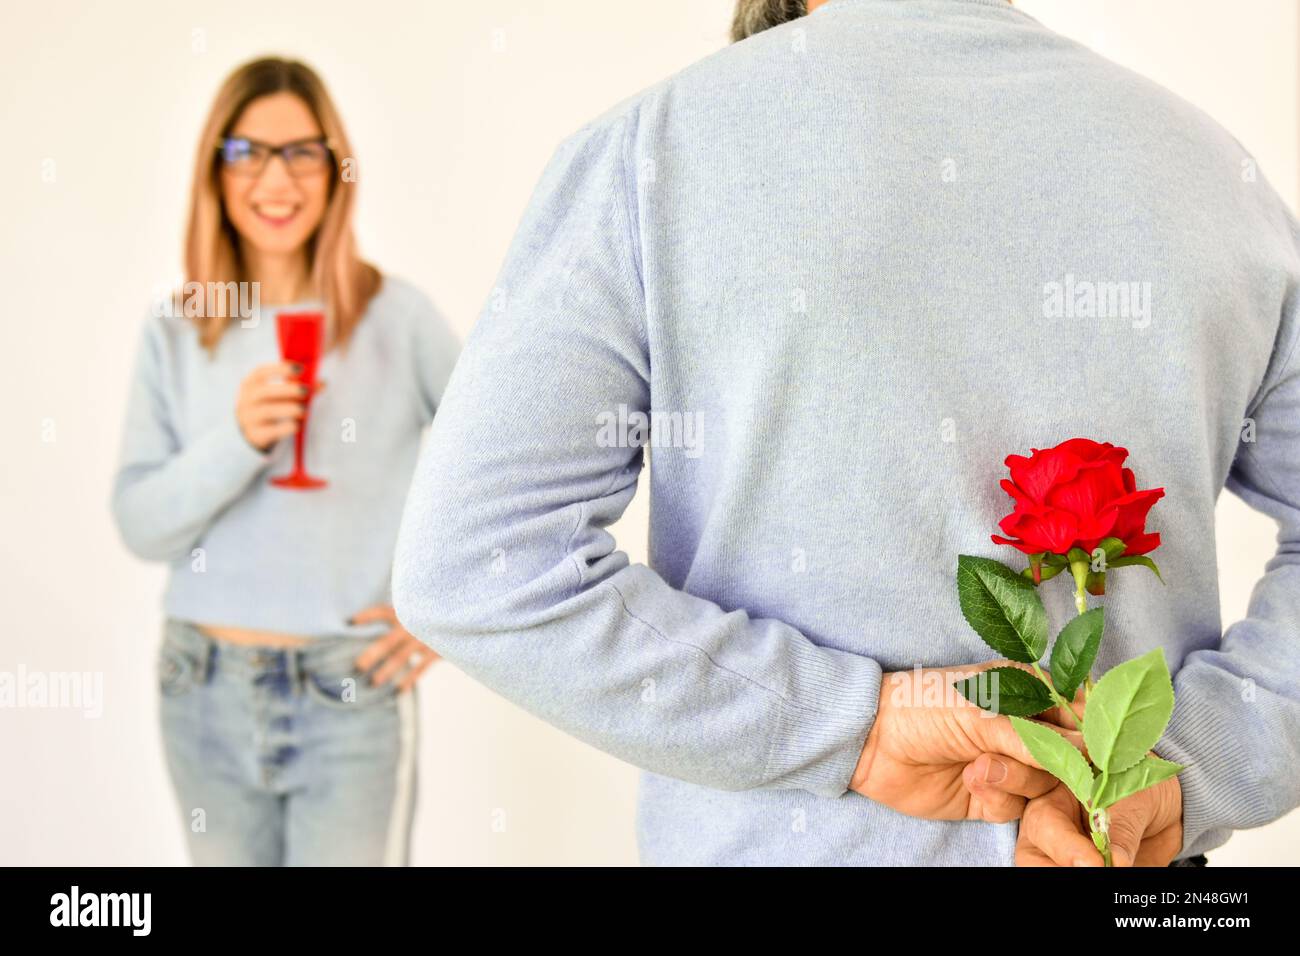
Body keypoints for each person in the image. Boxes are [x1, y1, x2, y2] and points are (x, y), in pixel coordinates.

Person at [391, 0, 1300, 865]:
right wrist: (1189, 771)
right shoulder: (1217, 175)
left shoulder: (656, 152)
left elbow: (475, 563)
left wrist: (854, 729)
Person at [111, 57, 461, 866]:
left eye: (302, 152)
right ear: (216, 168)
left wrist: (441, 612)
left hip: (348, 687)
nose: (277, 179)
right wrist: (237, 441)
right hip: (199, 684)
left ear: (335, 167)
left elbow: (498, 463)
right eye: (249, 153)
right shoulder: (176, 327)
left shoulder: (395, 317)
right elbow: (140, 523)